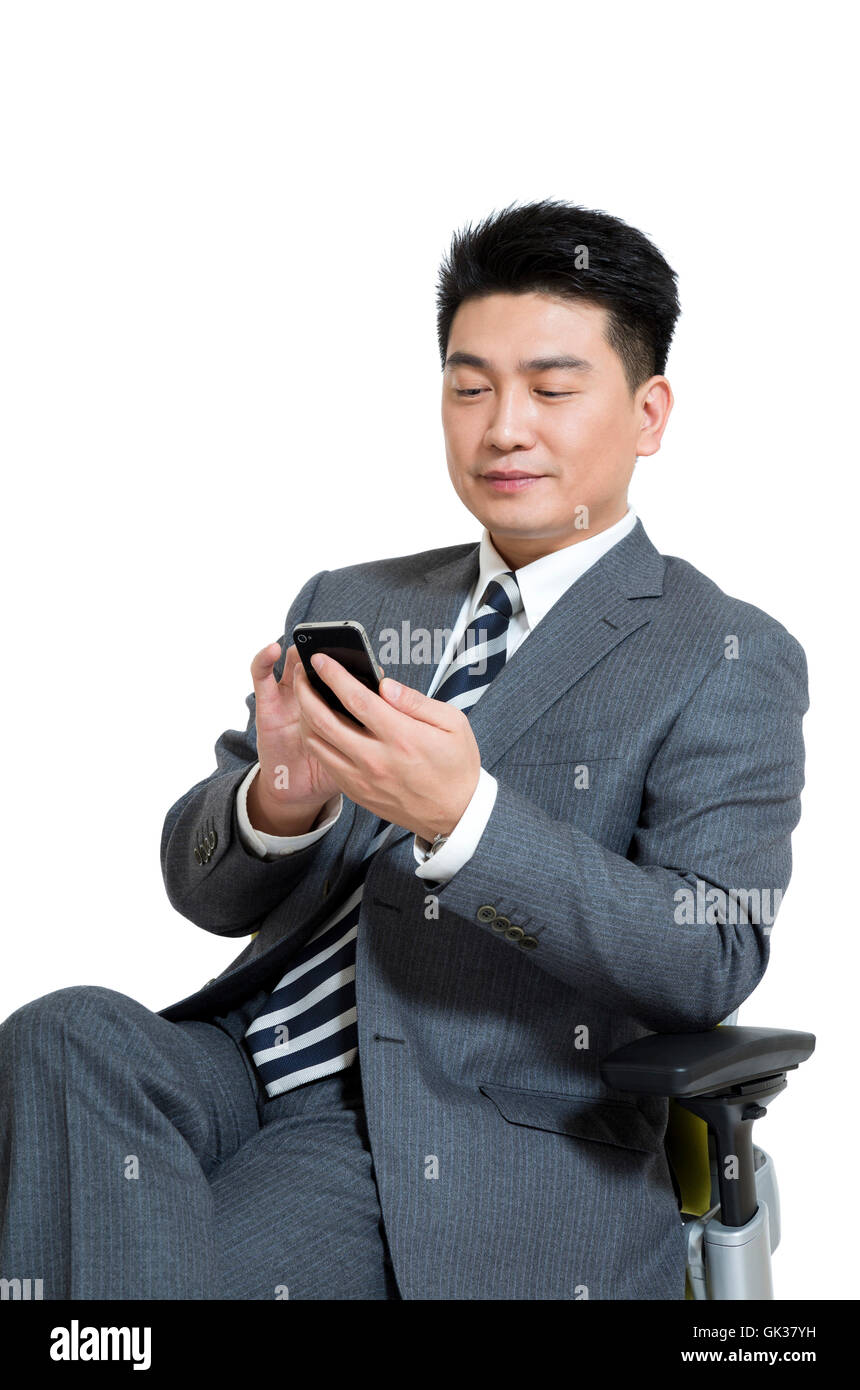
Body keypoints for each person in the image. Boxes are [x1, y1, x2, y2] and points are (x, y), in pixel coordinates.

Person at [0, 199, 808, 1300]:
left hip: (435, 1127)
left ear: (647, 412)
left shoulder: (719, 653)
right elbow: (205, 890)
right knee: (61, 1035)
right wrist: (274, 804)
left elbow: (707, 955)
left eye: (552, 388)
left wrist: (466, 823)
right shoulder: (358, 599)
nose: (502, 426)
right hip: (237, 1058)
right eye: (468, 387)